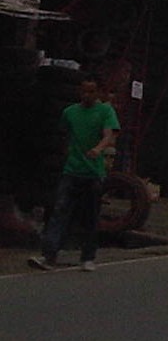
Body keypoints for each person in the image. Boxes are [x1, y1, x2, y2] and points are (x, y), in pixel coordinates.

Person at [30, 76, 119, 272]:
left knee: (90, 216)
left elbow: (109, 135)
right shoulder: (69, 112)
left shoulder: (105, 111)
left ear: (98, 93)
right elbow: (64, 134)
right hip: (71, 171)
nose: (87, 95)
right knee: (60, 212)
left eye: (91, 91)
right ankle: (49, 255)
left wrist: (98, 149)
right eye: (84, 91)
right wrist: (67, 152)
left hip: (93, 173)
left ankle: (88, 257)